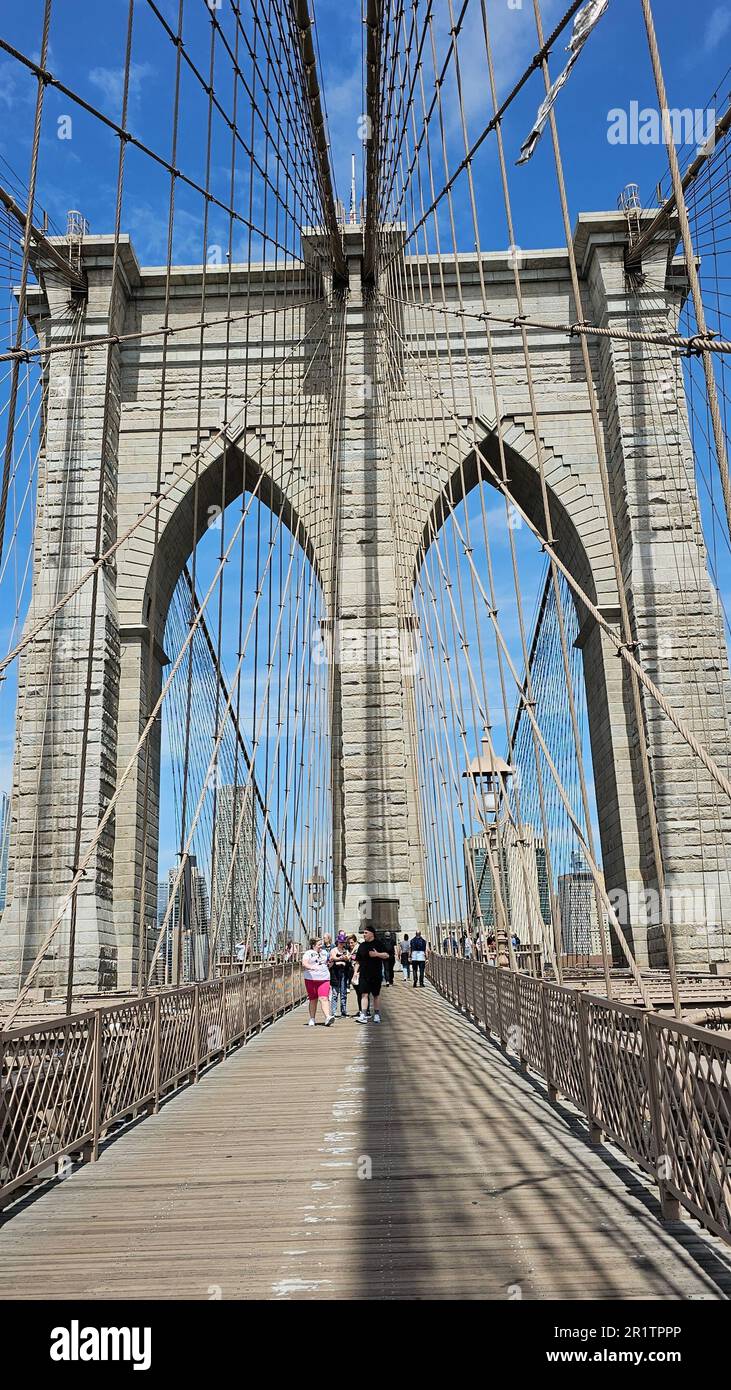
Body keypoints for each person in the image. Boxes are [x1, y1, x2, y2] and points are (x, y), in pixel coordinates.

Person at [353, 924, 389, 1023]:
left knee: (376, 995)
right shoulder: (362, 946)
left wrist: (377, 954)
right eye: (363, 933)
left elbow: (387, 955)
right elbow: (358, 961)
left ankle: (377, 1014)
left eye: (366, 933)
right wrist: (355, 973)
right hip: (364, 974)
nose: (363, 935)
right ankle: (363, 1015)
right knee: (364, 994)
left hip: (376, 974)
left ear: (372, 934)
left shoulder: (379, 944)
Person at [302, 937, 334, 1027]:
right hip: (311, 979)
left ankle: (328, 1017)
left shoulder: (324, 953)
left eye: (321, 944)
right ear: (313, 945)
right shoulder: (308, 953)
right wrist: (311, 967)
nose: (321, 946)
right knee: (313, 999)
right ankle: (312, 1018)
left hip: (324, 978)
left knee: (324, 998)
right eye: (319, 944)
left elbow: (328, 963)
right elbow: (304, 963)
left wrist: (331, 962)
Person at [329, 933, 351, 1018]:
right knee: (335, 993)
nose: (342, 944)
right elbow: (333, 957)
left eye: (343, 942)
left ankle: (344, 1011)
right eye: (340, 942)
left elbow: (348, 958)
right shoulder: (334, 950)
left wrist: (340, 960)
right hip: (335, 974)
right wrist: (341, 959)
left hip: (344, 974)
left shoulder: (346, 950)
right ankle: (334, 1012)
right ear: (338, 942)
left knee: (343, 993)